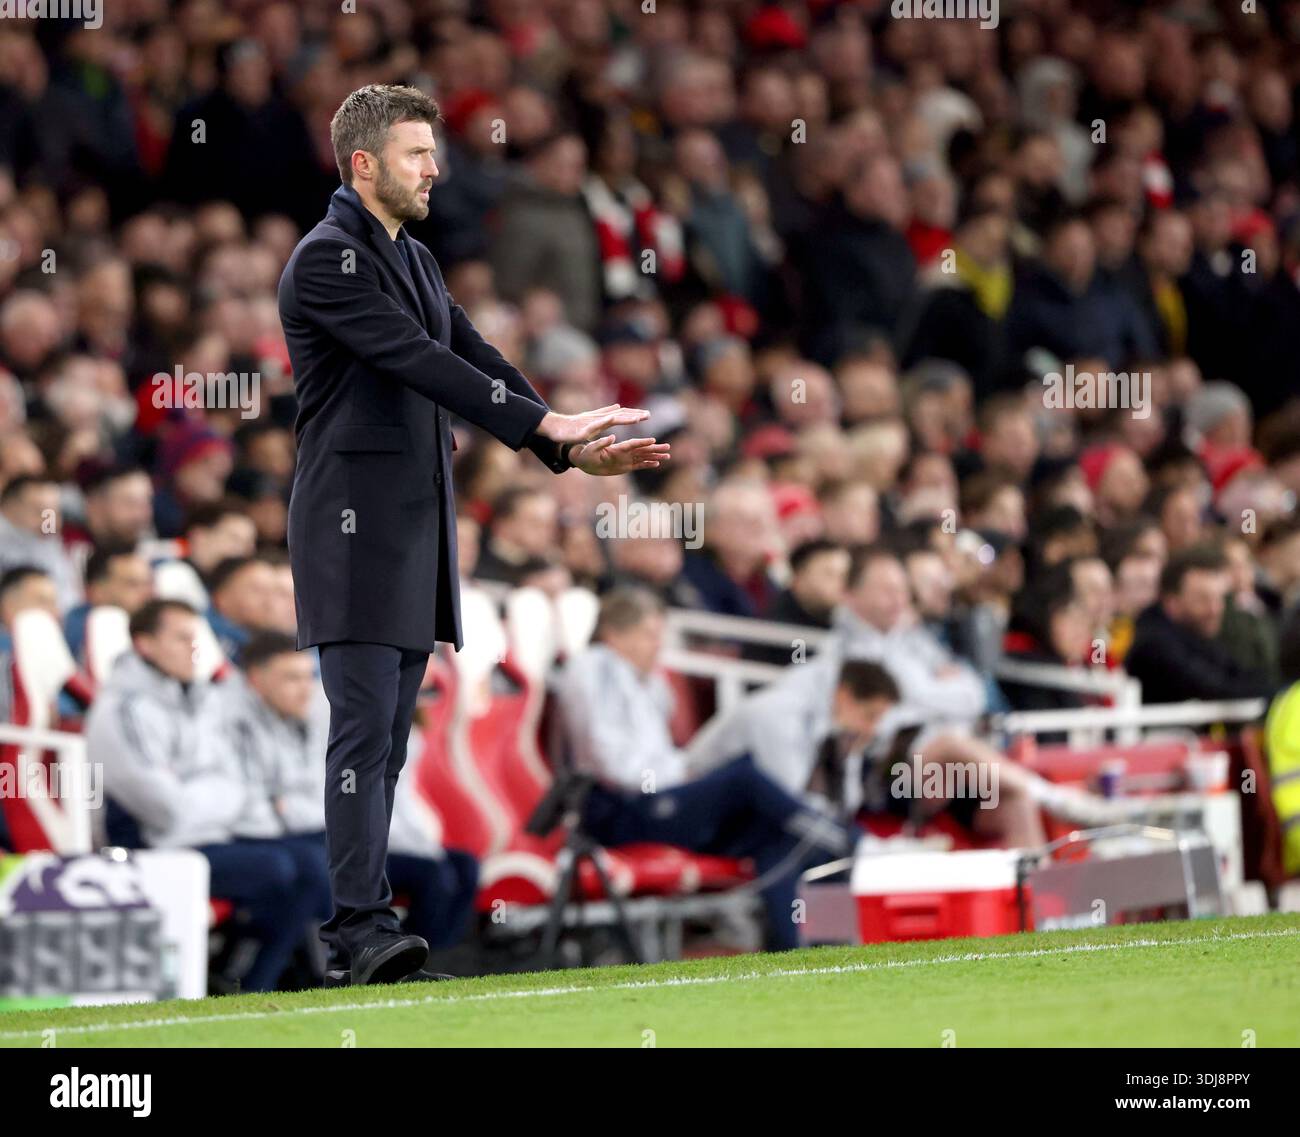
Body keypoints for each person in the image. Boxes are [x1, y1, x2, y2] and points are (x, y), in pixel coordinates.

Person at [277, 85, 668, 986]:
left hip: (408, 532)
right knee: (363, 734)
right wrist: (546, 430)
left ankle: (372, 933)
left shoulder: (409, 257)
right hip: (353, 529)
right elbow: (422, 362)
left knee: (386, 741)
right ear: (365, 163)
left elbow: (470, 349)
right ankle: (360, 934)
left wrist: (559, 441)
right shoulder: (328, 260)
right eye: (417, 154)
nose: (435, 169)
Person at [550, 587, 867, 951]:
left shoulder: (648, 683)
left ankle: (811, 958)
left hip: (662, 796)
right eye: (649, 634)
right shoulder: (594, 667)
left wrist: (687, 774)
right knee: (744, 777)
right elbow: (607, 762)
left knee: (786, 837)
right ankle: (842, 835)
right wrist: (685, 776)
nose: (658, 645)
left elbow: (659, 757)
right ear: (613, 633)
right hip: (622, 810)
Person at [85, 599, 331, 992]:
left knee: (314, 863)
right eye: (182, 638)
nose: (194, 647)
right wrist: (215, 797)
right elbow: (163, 808)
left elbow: (238, 785)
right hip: (146, 846)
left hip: (205, 837)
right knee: (284, 869)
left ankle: (246, 979)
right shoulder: (121, 709)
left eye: (196, 637)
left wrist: (201, 794)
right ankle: (247, 980)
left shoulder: (202, 700)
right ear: (145, 645)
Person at [212, 632, 479, 984]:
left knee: (458, 866)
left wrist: (289, 806)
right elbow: (268, 801)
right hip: (273, 834)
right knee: (324, 868)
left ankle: (418, 958)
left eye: (309, 676)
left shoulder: (303, 719)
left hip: (310, 828)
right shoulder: (240, 720)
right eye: (291, 678)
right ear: (256, 679)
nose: (305, 688)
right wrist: (289, 808)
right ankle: (275, 977)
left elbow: (315, 796)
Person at [1125, 545, 1278, 704]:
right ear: (1172, 603)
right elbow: (1217, 688)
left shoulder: (1198, 637)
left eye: (1219, 599)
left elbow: (1239, 675)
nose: (1215, 610)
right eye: (1202, 599)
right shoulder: (1154, 644)